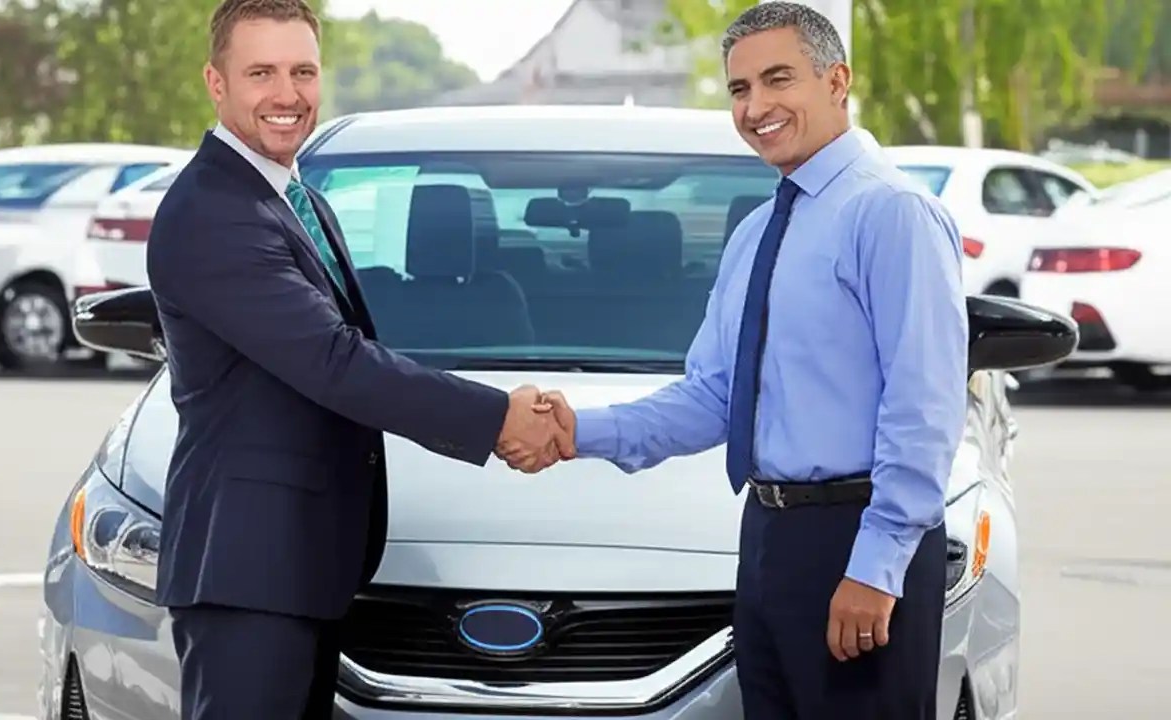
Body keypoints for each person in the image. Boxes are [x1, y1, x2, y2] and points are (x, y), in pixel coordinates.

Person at [535, 3, 968, 719]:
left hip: (856, 536)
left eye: (777, 80)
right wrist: (574, 429)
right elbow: (714, 397)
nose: (756, 107)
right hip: (769, 537)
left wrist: (878, 566)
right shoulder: (759, 230)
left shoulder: (891, 212)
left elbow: (924, 408)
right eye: (739, 89)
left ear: (837, 80)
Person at [144, 0, 572, 717]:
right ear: (216, 84)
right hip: (249, 571)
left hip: (298, 568)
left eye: (303, 71)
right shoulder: (214, 214)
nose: (288, 94)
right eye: (262, 73)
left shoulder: (294, 198)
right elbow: (336, 362)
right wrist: (499, 417)